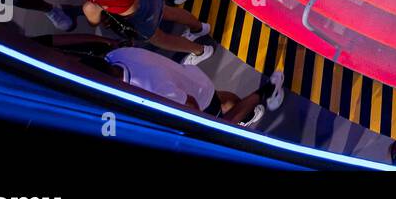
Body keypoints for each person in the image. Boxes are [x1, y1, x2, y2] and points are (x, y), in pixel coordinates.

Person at [83, 45, 284, 128]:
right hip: (190, 79)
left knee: (226, 120)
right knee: (223, 98)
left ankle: (267, 91)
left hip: (198, 98)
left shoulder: (148, 87)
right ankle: (250, 111)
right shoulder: (117, 54)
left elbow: (191, 106)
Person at [82, 0, 213, 64]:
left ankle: (200, 51)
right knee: (170, 12)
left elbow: (93, 21)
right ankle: (200, 28)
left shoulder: (91, 3)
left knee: (161, 39)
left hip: (140, 15)